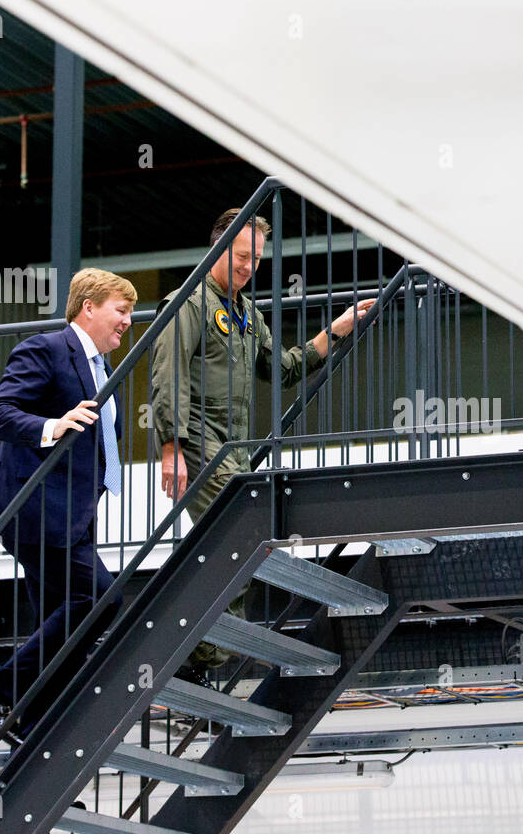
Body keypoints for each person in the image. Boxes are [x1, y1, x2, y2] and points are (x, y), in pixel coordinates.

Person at [150, 208, 372, 682]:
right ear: (218, 247)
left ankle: (199, 654)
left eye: (257, 259)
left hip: (235, 445)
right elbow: (166, 376)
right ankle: (198, 651)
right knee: (246, 528)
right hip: (197, 439)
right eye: (242, 256)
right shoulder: (188, 302)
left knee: (237, 543)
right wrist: (170, 448)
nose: (249, 267)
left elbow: (284, 368)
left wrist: (338, 328)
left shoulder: (246, 312)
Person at [0, 267, 137, 736]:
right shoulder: (46, 349)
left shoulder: (102, 370)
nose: (128, 321)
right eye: (121, 310)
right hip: (37, 509)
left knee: (62, 625)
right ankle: (3, 689)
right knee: (100, 599)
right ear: (88, 307)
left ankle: (32, 724)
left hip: (74, 516)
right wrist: (51, 426)